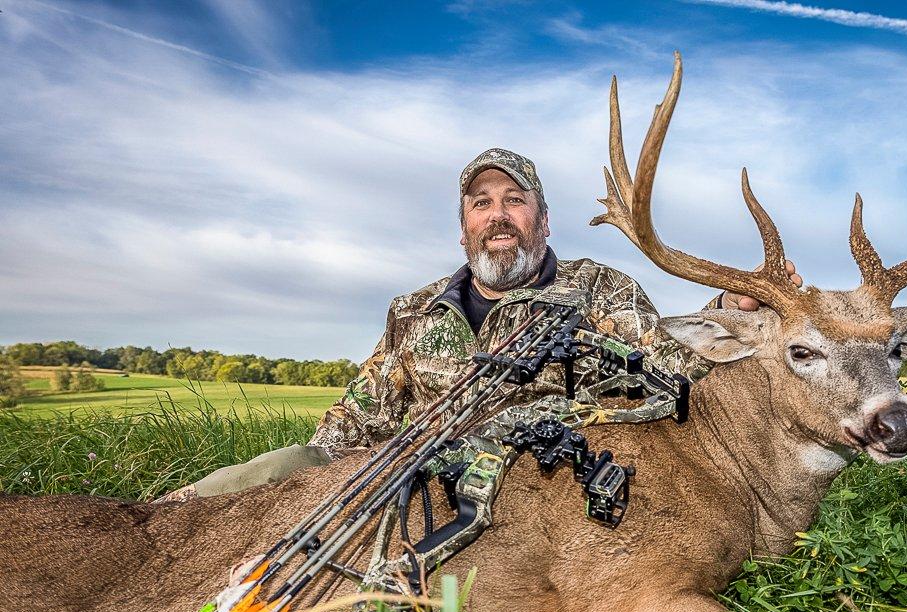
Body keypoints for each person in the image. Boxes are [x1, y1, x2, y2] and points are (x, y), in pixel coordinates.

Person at [159, 148, 794, 501]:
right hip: (415, 480)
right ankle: (142, 528)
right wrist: (311, 473)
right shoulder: (414, 311)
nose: (499, 215)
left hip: (537, 494)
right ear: (463, 225)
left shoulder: (599, 291)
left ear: (543, 220)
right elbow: (354, 424)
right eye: (482, 203)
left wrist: (730, 309)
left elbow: (674, 365)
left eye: (515, 201)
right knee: (276, 471)